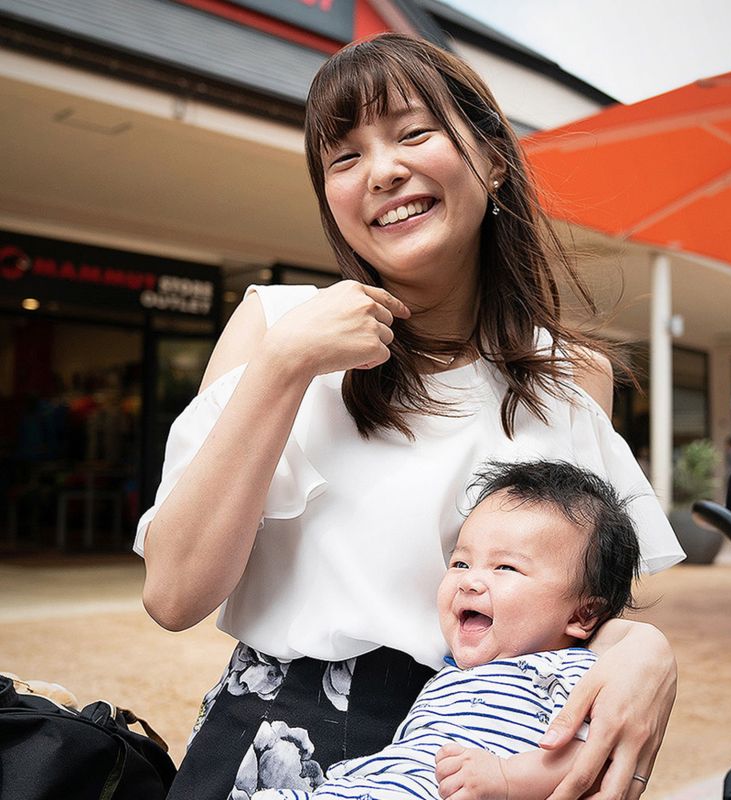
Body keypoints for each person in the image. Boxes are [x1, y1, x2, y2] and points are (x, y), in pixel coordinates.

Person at [136, 33, 684, 800]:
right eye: (343, 157)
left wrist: (645, 645)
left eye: (412, 132)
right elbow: (173, 595)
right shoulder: (277, 324)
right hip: (278, 754)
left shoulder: (573, 376)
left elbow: (584, 605)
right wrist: (286, 368)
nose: (382, 171)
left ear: (492, 157)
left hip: (489, 756)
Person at [234, 460, 642, 800]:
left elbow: (592, 756)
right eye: (461, 563)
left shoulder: (572, 672)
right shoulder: (450, 674)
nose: (469, 581)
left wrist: (505, 778)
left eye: (505, 567)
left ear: (582, 616)